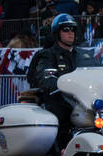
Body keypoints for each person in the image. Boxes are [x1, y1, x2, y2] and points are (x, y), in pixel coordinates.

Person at [27, 13, 81, 146]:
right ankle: (58, 153)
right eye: (66, 29)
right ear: (57, 33)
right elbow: (46, 80)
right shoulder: (48, 55)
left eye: (73, 29)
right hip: (59, 101)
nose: (70, 33)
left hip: (82, 102)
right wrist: (60, 85)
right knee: (59, 117)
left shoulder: (81, 55)